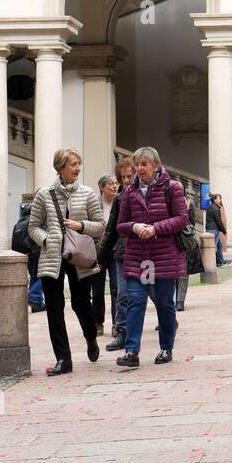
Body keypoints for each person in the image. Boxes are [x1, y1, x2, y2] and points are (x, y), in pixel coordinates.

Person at [26, 147, 105, 375]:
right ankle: (63, 359)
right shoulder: (44, 194)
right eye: (73, 164)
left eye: (79, 164)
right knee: (54, 308)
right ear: (61, 167)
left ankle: (91, 336)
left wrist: (81, 226)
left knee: (81, 304)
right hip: (52, 258)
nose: (77, 168)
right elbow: (33, 227)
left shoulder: (88, 193)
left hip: (79, 257)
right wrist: (46, 240)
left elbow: (101, 226)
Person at [116, 146, 188, 367]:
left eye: (144, 164)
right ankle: (131, 352)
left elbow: (182, 219)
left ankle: (166, 348)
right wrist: (135, 226)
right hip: (138, 257)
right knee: (135, 301)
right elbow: (120, 225)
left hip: (163, 256)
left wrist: (156, 228)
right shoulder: (130, 191)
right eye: (137, 164)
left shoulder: (172, 188)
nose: (139, 168)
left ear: (156, 166)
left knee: (164, 303)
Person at [98, 158, 134, 351]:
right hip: (122, 252)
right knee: (122, 293)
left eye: (130, 176)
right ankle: (122, 332)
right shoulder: (120, 199)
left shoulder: (150, 195)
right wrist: (99, 257)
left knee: (155, 293)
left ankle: (167, 323)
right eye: (123, 177)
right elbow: (111, 231)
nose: (126, 180)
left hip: (147, 252)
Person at [88, 172, 117, 335]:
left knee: (116, 288)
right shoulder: (94, 204)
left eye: (115, 183)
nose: (114, 186)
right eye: (110, 184)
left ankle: (117, 323)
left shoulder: (120, 202)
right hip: (98, 251)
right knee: (97, 289)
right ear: (101, 187)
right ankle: (98, 322)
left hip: (115, 251)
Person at [208, 191, 229, 266]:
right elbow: (218, 221)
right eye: (219, 198)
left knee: (219, 245)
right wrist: (224, 231)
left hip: (212, 229)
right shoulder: (215, 208)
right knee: (212, 247)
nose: (220, 200)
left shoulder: (212, 207)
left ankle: (221, 261)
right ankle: (211, 263)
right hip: (214, 229)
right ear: (215, 200)